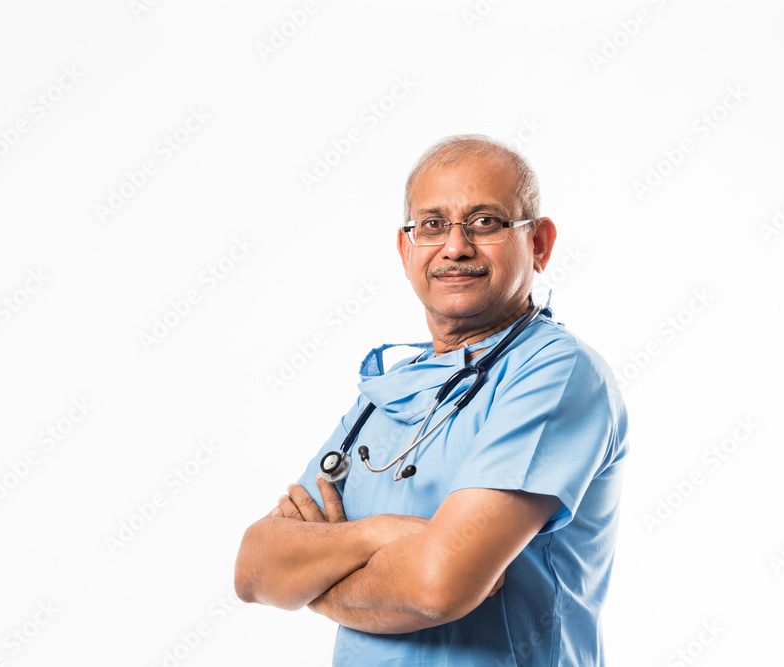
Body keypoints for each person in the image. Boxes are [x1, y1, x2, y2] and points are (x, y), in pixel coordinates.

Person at [234, 134, 629, 666]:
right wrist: (381, 535)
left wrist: (316, 579)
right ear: (406, 249)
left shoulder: (555, 373)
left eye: (485, 222)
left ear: (538, 244)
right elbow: (255, 570)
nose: (455, 246)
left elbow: (438, 587)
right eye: (432, 225)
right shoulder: (393, 390)